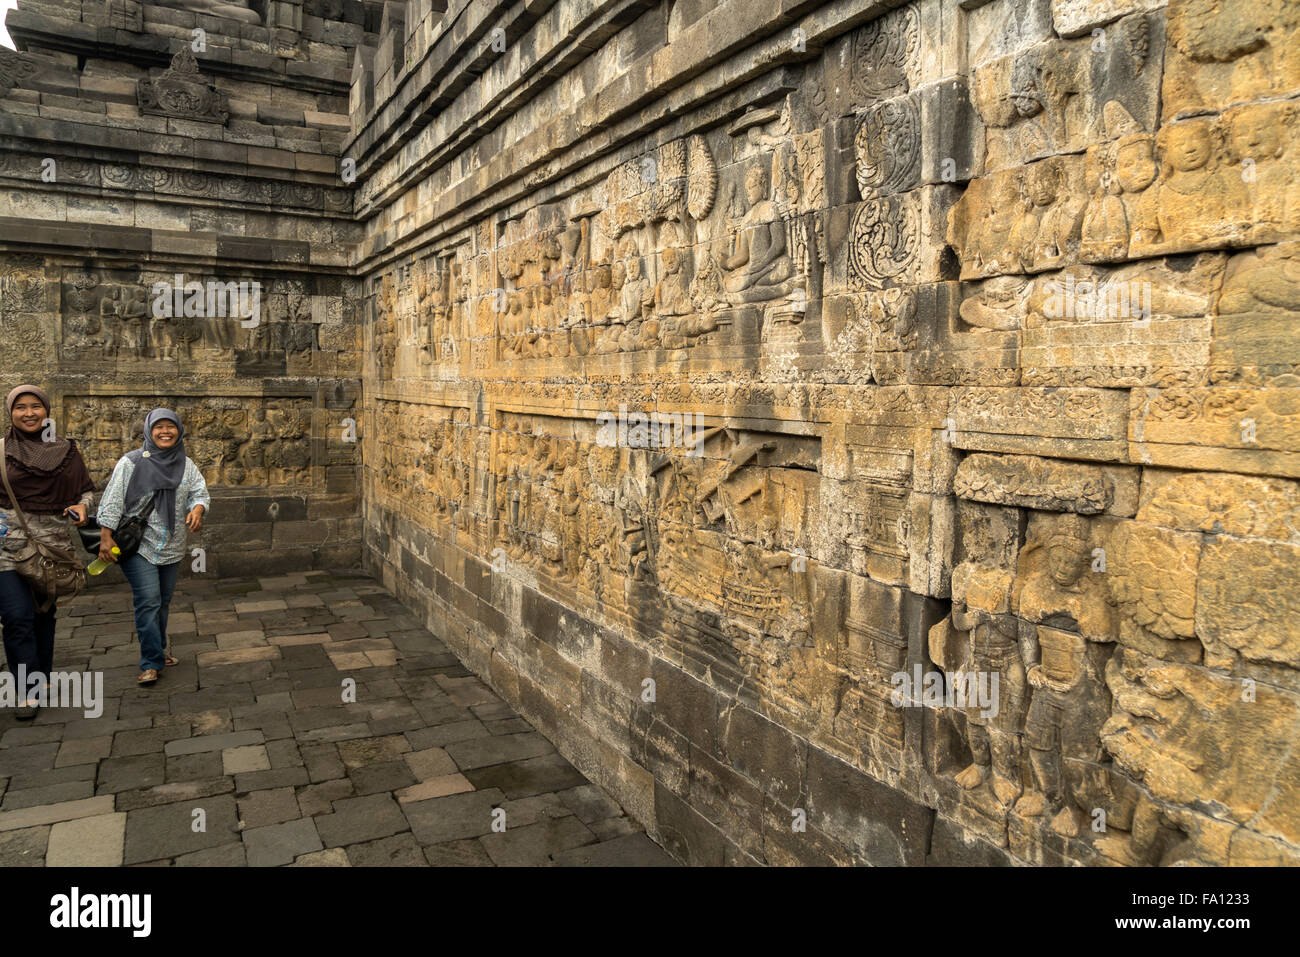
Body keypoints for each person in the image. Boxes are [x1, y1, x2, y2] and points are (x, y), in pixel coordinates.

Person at [0, 385, 95, 720]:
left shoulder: (66, 450)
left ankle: (40, 676)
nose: (29, 413)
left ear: (46, 410)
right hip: (7, 545)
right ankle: (26, 690)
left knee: (42, 613)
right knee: (16, 616)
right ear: (10, 412)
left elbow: (84, 490)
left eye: (36, 406)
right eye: (21, 407)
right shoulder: (1, 451)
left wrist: (82, 508)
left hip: (51, 545)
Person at [97, 408, 209, 685]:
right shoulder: (131, 462)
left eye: (170, 426)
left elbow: (199, 491)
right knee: (148, 601)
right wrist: (105, 536)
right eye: (158, 427)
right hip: (138, 546)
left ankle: (157, 649)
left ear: (179, 431)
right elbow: (113, 500)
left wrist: (197, 509)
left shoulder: (186, 464)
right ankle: (151, 662)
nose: (165, 432)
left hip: (171, 545)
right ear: (149, 430)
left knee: (163, 603)